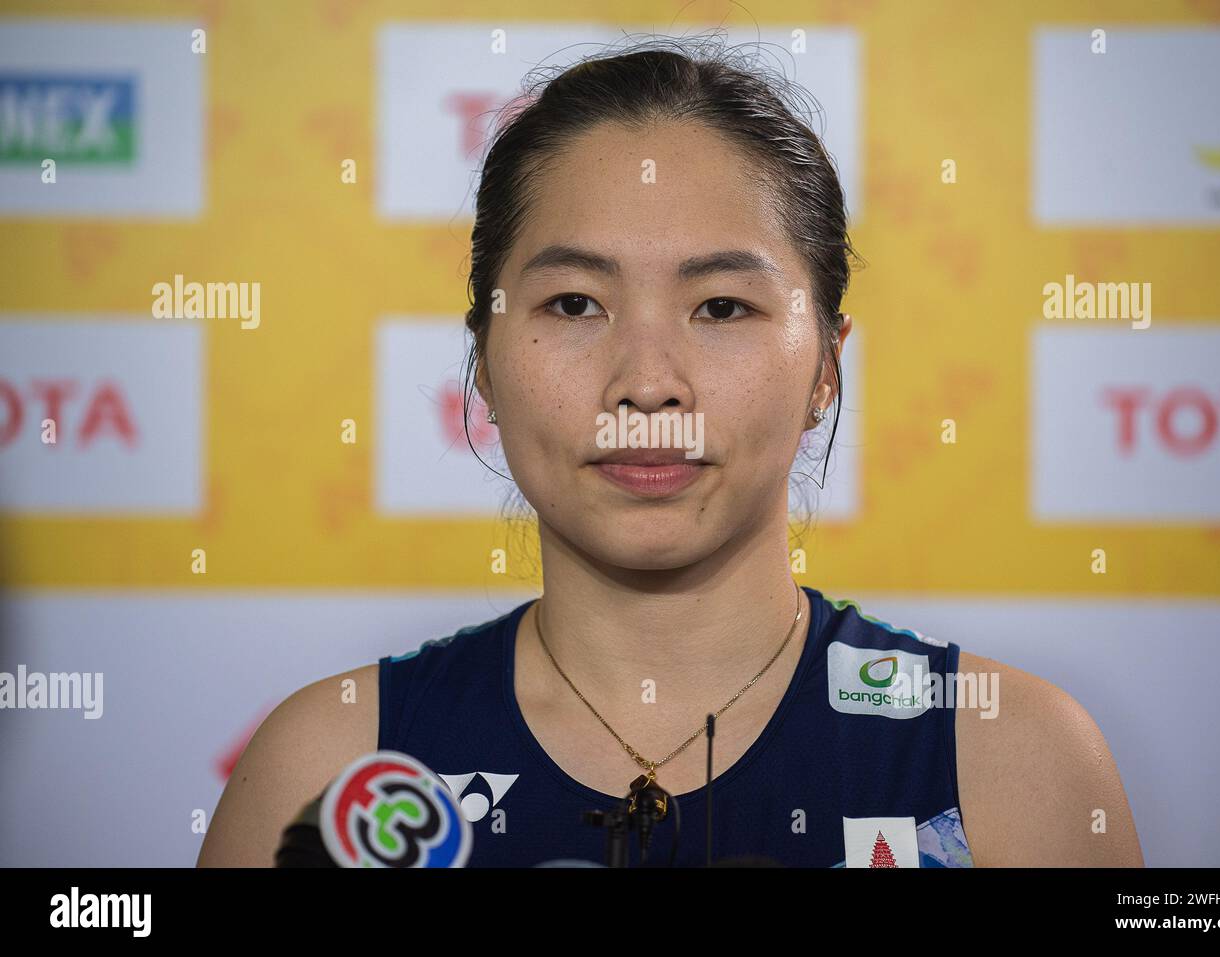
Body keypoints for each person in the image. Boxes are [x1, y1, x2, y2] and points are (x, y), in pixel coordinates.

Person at [198, 38, 1143, 868]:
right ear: (482, 359)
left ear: (826, 365)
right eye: (574, 304)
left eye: (722, 307)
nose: (647, 382)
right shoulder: (329, 770)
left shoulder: (1014, 759)